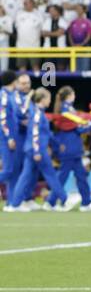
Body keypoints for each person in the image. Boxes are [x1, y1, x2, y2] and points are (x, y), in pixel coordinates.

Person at [12, 87, 67, 210]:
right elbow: (35, 133)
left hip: (32, 149)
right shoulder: (37, 113)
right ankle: (63, 201)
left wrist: (57, 145)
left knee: (27, 176)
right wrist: (37, 151)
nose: (49, 101)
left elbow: (46, 134)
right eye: (48, 99)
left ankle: (17, 203)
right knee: (50, 175)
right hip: (37, 150)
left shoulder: (37, 112)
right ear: (42, 99)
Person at [49, 85, 91, 209]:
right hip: (68, 148)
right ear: (69, 96)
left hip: (73, 148)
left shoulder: (68, 109)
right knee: (63, 176)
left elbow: (78, 127)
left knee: (81, 176)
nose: (75, 96)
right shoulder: (65, 110)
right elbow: (79, 127)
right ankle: (51, 201)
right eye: (73, 94)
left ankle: (86, 202)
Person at [0, 70, 32, 209]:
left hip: (13, 136)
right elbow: (2, 119)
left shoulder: (10, 95)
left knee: (13, 171)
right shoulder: (4, 96)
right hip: (7, 138)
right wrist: (9, 138)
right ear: (14, 81)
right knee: (8, 170)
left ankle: (11, 203)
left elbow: (16, 115)